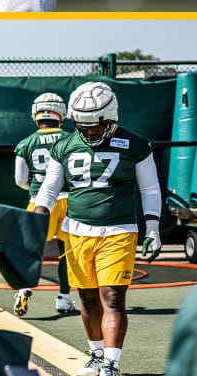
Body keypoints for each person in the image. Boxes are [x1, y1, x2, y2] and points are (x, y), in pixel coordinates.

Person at [33, 82, 162, 376]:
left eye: (94, 126)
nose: (88, 132)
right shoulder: (64, 145)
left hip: (118, 231)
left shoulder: (136, 144)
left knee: (113, 297)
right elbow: (50, 186)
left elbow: (150, 188)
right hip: (77, 232)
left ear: (111, 117)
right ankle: (96, 355)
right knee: (88, 298)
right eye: (82, 126)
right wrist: (38, 216)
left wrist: (152, 228)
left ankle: (111, 364)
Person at [13, 92, 76, 316]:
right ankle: (64, 298)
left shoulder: (26, 143)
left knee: (32, 251)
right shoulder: (71, 138)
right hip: (69, 200)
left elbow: (20, 180)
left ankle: (25, 288)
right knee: (66, 253)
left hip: (39, 201)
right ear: (61, 113)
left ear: (36, 114)